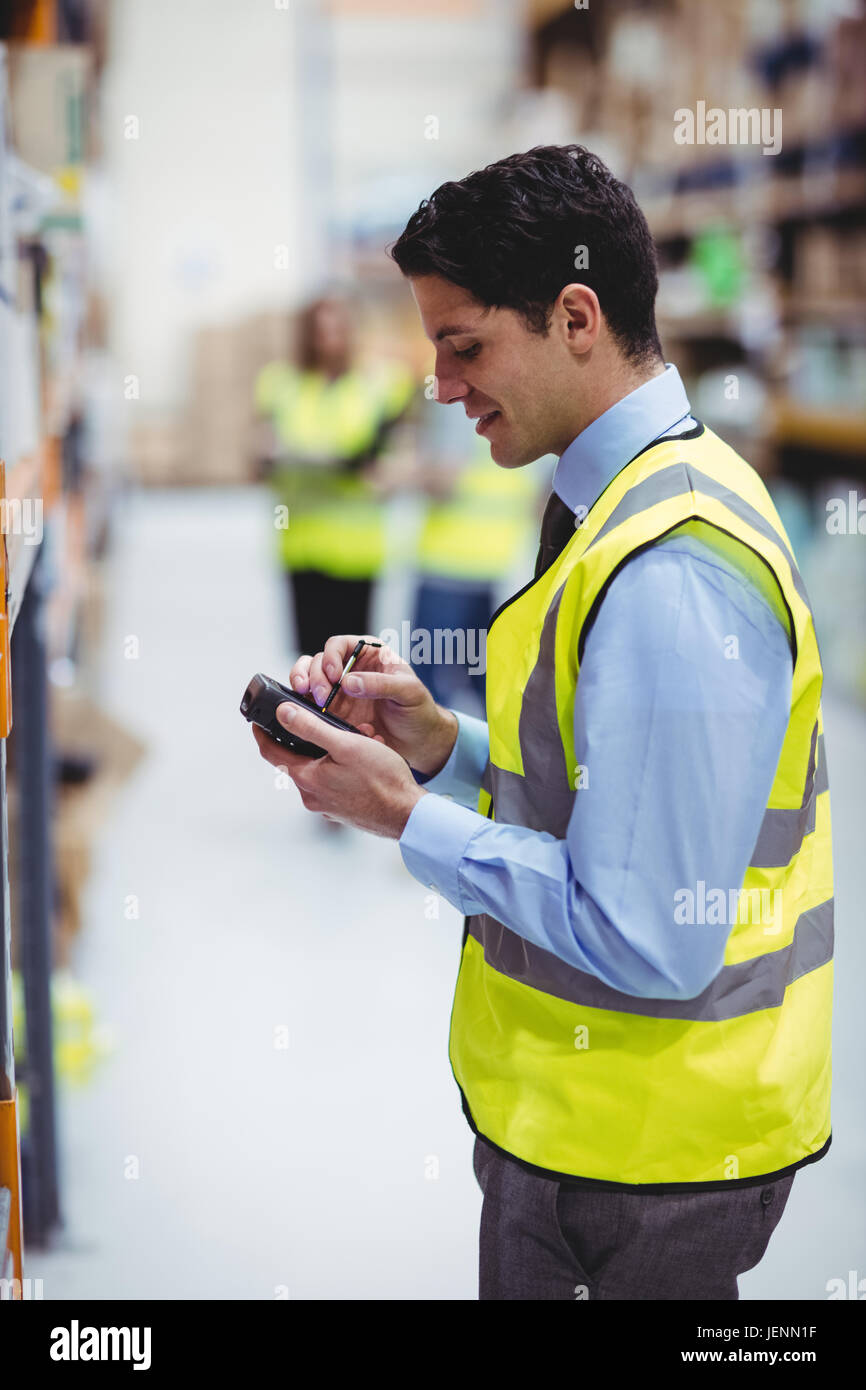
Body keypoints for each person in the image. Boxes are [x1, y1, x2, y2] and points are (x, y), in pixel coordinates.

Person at [250, 146, 833, 1301]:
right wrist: (438, 745)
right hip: (586, 1128)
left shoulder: (670, 571)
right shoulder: (632, 486)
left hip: (645, 1158)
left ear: (576, 315)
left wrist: (406, 819)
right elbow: (597, 786)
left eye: (463, 346)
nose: (441, 385)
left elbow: (652, 934)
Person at [254, 294, 415, 656]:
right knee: (308, 662)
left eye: (337, 330)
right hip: (301, 546)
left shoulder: (380, 385)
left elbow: (384, 461)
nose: (329, 340)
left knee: (350, 665)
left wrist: (376, 473)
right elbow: (260, 457)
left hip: (354, 549)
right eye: (320, 331)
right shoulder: (280, 384)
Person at [410, 399, 546, 715]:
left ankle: (426, 766)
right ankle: (494, 763)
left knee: (425, 695)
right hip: (499, 574)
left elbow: (443, 480)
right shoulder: (528, 410)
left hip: (447, 569)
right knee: (490, 690)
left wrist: (406, 468)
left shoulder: (454, 404)